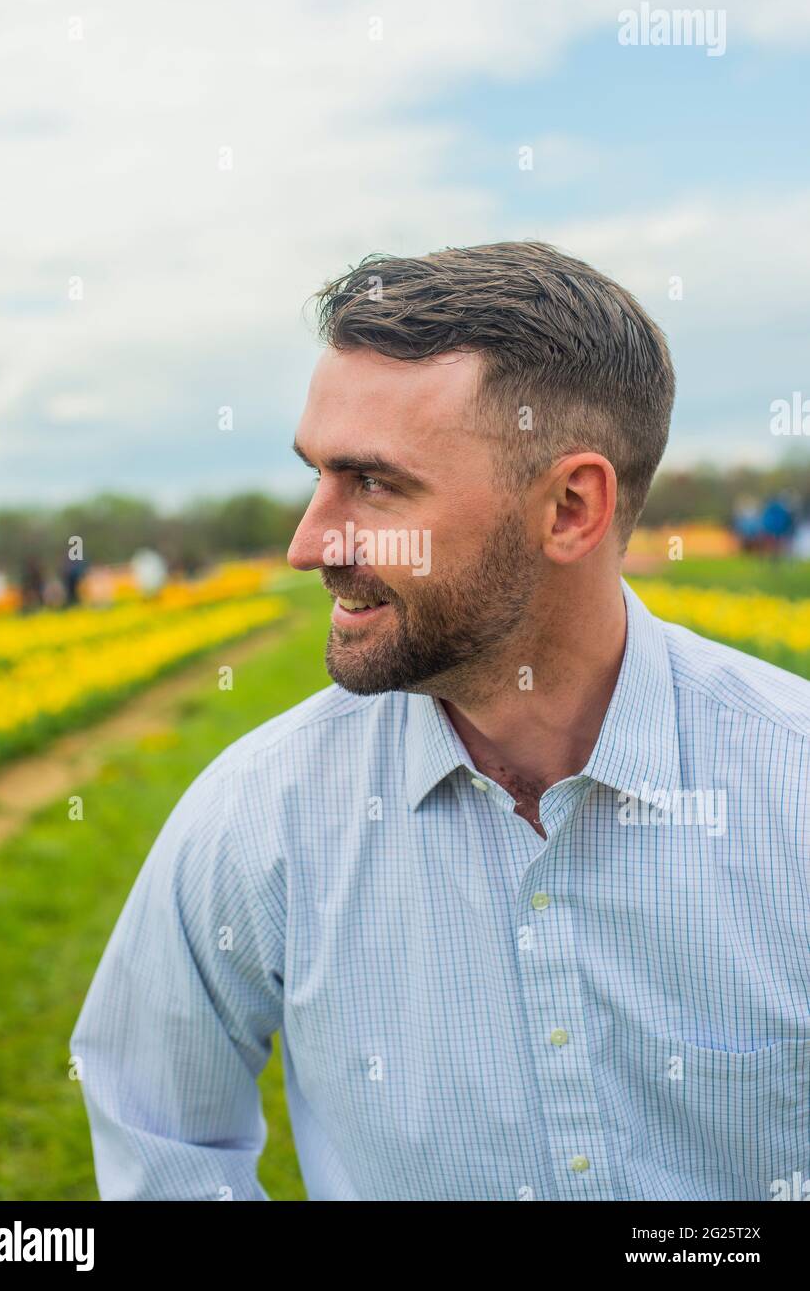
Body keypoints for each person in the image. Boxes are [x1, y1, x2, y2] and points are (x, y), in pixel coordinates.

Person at [71, 241, 810, 1202]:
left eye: (372, 485)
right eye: (317, 476)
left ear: (569, 508)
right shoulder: (257, 817)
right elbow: (157, 1138)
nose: (307, 543)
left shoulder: (787, 788)